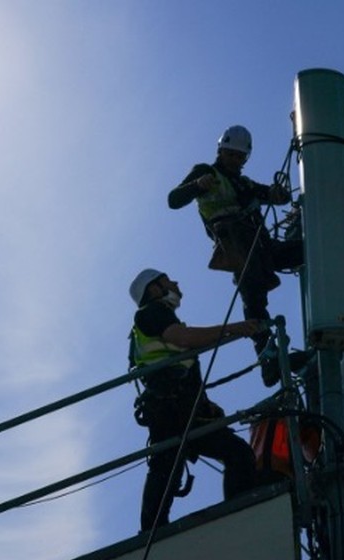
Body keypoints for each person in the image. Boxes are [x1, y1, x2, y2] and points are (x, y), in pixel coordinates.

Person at [168, 125, 303, 386]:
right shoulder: (207, 172)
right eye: (231, 154)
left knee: (304, 249)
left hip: (260, 244)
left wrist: (279, 194)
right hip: (235, 243)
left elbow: (273, 196)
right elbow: (174, 199)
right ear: (221, 151)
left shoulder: (244, 183)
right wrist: (197, 185)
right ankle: (267, 356)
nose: (235, 160)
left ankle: (332, 273)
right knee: (253, 293)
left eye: (240, 157)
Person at [129, 268, 261, 532]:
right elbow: (185, 338)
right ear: (154, 290)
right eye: (167, 280)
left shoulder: (158, 320)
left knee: (233, 454)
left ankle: (234, 516)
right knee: (167, 467)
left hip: (183, 410)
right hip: (169, 410)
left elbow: (183, 367)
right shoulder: (151, 313)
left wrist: (205, 404)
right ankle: (151, 535)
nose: (175, 282)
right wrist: (236, 328)